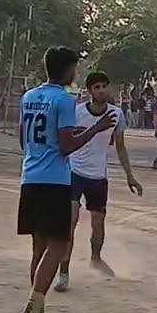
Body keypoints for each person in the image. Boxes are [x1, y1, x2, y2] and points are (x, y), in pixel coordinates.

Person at [15, 47, 116, 313]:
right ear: (67, 69)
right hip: (54, 181)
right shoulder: (64, 99)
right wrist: (96, 129)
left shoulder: (29, 96)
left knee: (39, 248)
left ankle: (38, 309)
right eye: (75, 68)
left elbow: (23, 139)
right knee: (60, 245)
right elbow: (66, 146)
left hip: (30, 177)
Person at [53, 71, 142, 292]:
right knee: (70, 221)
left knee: (98, 223)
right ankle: (63, 272)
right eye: (97, 87)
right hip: (74, 171)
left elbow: (120, 146)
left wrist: (130, 175)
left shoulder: (116, 114)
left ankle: (95, 258)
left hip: (98, 176)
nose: (102, 90)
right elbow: (64, 139)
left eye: (104, 86)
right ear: (89, 91)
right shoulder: (77, 111)